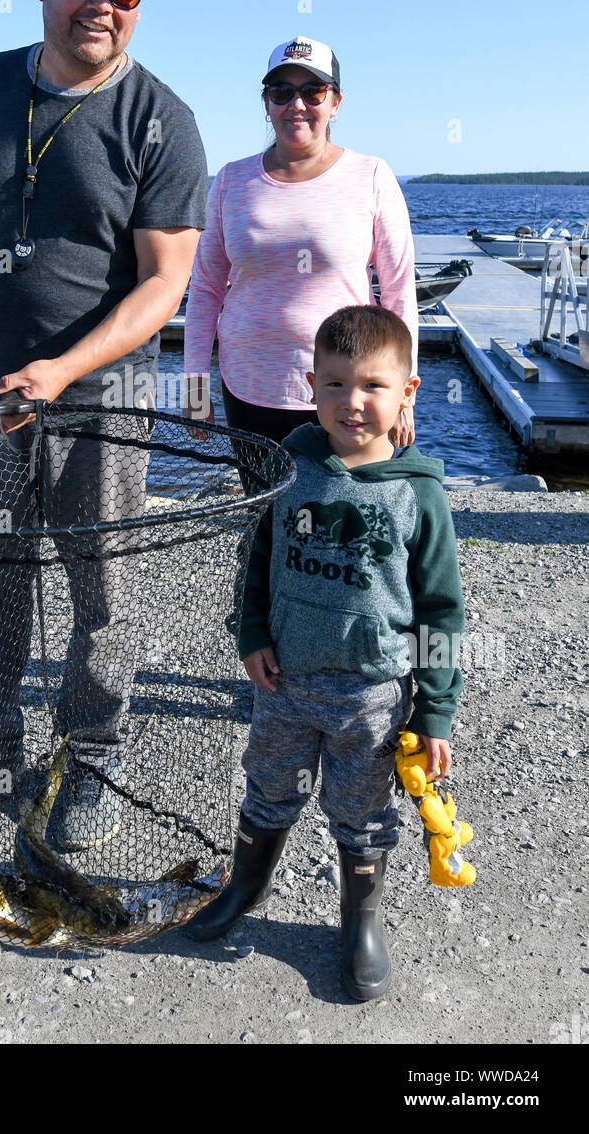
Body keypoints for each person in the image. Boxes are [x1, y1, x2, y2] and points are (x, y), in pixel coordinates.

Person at [0, 0, 208, 849]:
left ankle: (91, 755)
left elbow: (167, 283)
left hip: (106, 399)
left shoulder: (161, 118)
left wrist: (67, 366)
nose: (102, 4)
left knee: (102, 590)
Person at [184, 304, 465, 1004]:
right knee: (267, 788)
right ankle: (245, 886)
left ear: (407, 393)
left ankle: (359, 922)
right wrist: (250, 633)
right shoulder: (292, 467)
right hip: (284, 683)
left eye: (372, 385)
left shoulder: (419, 495)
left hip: (372, 698)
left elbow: (440, 611)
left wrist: (435, 712)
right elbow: (258, 556)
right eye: (335, 384)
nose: (352, 402)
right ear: (311, 386)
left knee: (362, 811)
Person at [184, 37, 418, 449]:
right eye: (282, 92)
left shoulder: (373, 175)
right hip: (248, 384)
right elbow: (204, 289)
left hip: (348, 388)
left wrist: (402, 394)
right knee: (264, 506)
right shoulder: (231, 180)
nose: (297, 104)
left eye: (313, 91)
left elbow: (399, 291)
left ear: (336, 103)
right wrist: (195, 384)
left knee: (342, 506)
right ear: (267, 103)